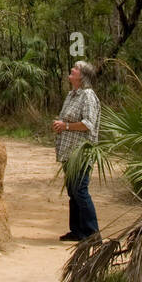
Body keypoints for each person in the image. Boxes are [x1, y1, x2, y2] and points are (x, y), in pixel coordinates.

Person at [52, 60, 100, 242]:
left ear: (83, 76)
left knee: (80, 190)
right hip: (68, 152)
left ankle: (92, 233)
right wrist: (60, 125)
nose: (72, 69)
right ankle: (77, 231)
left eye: (76, 68)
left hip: (81, 152)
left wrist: (65, 126)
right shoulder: (72, 95)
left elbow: (88, 123)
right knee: (73, 191)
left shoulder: (87, 95)